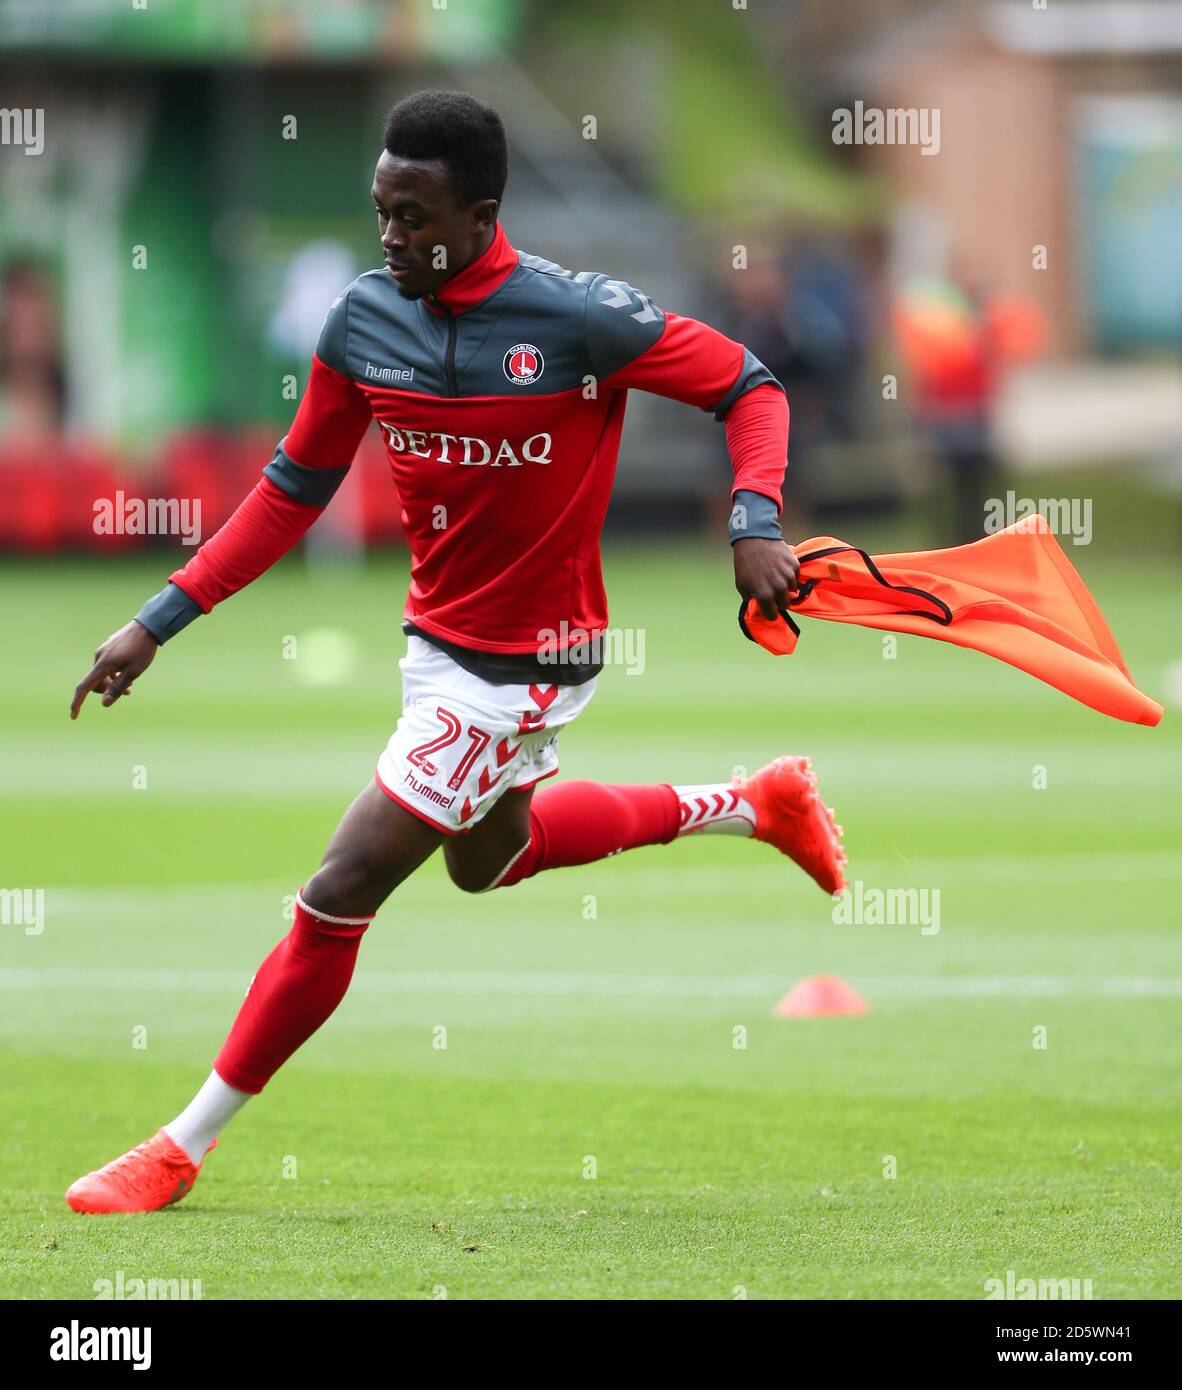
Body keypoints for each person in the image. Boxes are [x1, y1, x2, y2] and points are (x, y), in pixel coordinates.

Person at [64, 90, 845, 1214]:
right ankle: (754, 802)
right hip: (437, 648)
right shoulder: (362, 321)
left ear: (481, 215)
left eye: (415, 217)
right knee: (489, 860)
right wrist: (158, 618)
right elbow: (292, 490)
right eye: (382, 213)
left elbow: (748, 386)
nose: (393, 238)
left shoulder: (578, 318)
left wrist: (755, 520)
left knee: (340, 886)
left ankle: (180, 1145)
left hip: (533, 661)